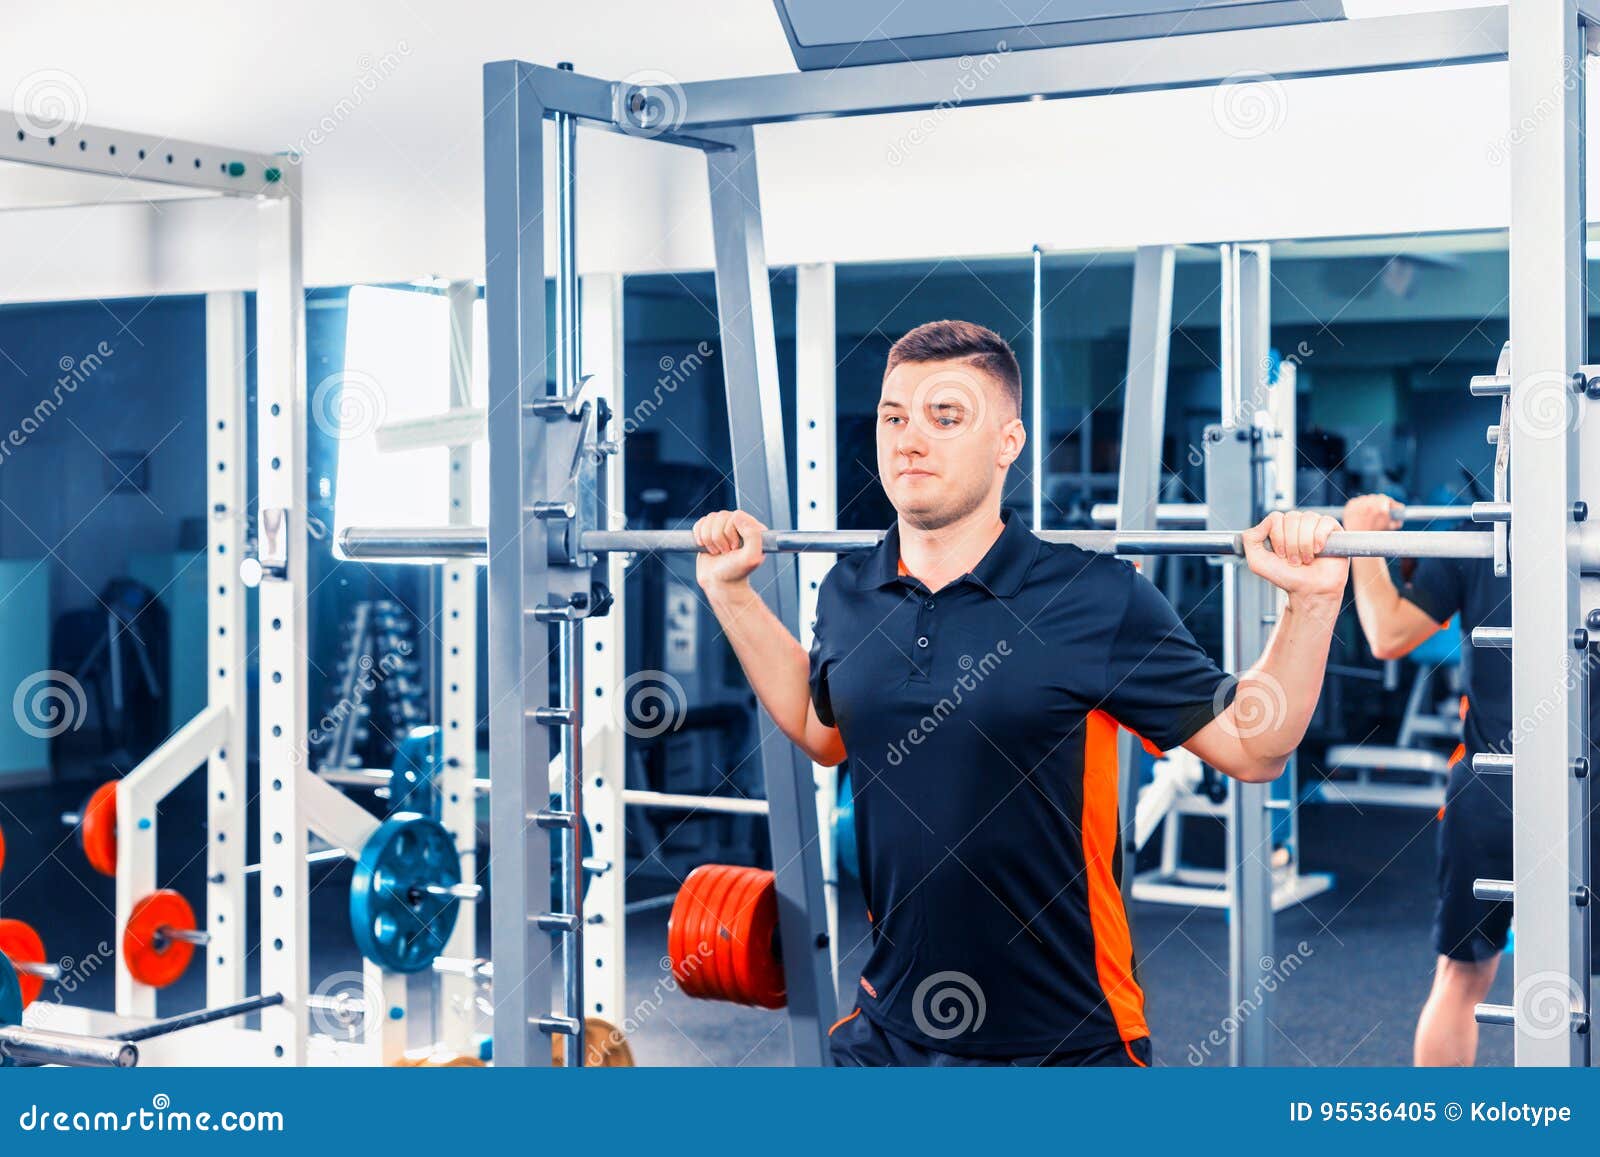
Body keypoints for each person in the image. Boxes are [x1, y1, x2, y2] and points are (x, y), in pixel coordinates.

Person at [694, 319, 1349, 1067]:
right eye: (894, 416)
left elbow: (1255, 745)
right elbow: (823, 728)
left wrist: (1313, 602)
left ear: (1009, 441)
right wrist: (731, 595)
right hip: (888, 1034)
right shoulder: (850, 590)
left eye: (945, 417)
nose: (910, 440)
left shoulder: (1092, 598)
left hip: (1064, 1045)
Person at [1343, 493, 1597, 1066]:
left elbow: (1386, 633)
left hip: (1492, 789)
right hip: (1567, 792)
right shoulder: (1479, 532)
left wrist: (1362, 536)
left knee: (1460, 980)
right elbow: (1387, 638)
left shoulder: (1484, 530)